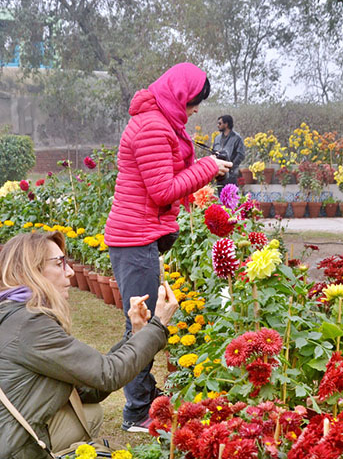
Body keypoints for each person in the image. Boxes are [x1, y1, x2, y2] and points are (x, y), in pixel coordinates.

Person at [0, 231, 179, 458]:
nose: (69, 272)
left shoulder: (12, 316)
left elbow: (88, 389)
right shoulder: (28, 325)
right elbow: (109, 373)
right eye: (59, 263)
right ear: (31, 271)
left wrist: (136, 333)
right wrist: (157, 326)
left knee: (89, 413)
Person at [104, 62, 231, 432]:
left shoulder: (159, 122)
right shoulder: (154, 127)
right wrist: (206, 167)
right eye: (194, 103)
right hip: (134, 239)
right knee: (140, 325)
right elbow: (162, 190)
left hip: (139, 236)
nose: (194, 112)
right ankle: (137, 411)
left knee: (140, 321)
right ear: (180, 95)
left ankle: (142, 396)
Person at [212, 114, 245, 189]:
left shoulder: (237, 138)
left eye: (220, 123)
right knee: (220, 197)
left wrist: (231, 166)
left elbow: (241, 154)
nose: (218, 125)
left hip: (231, 175)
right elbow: (213, 153)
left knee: (232, 197)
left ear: (226, 124)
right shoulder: (217, 138)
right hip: (220, 174)